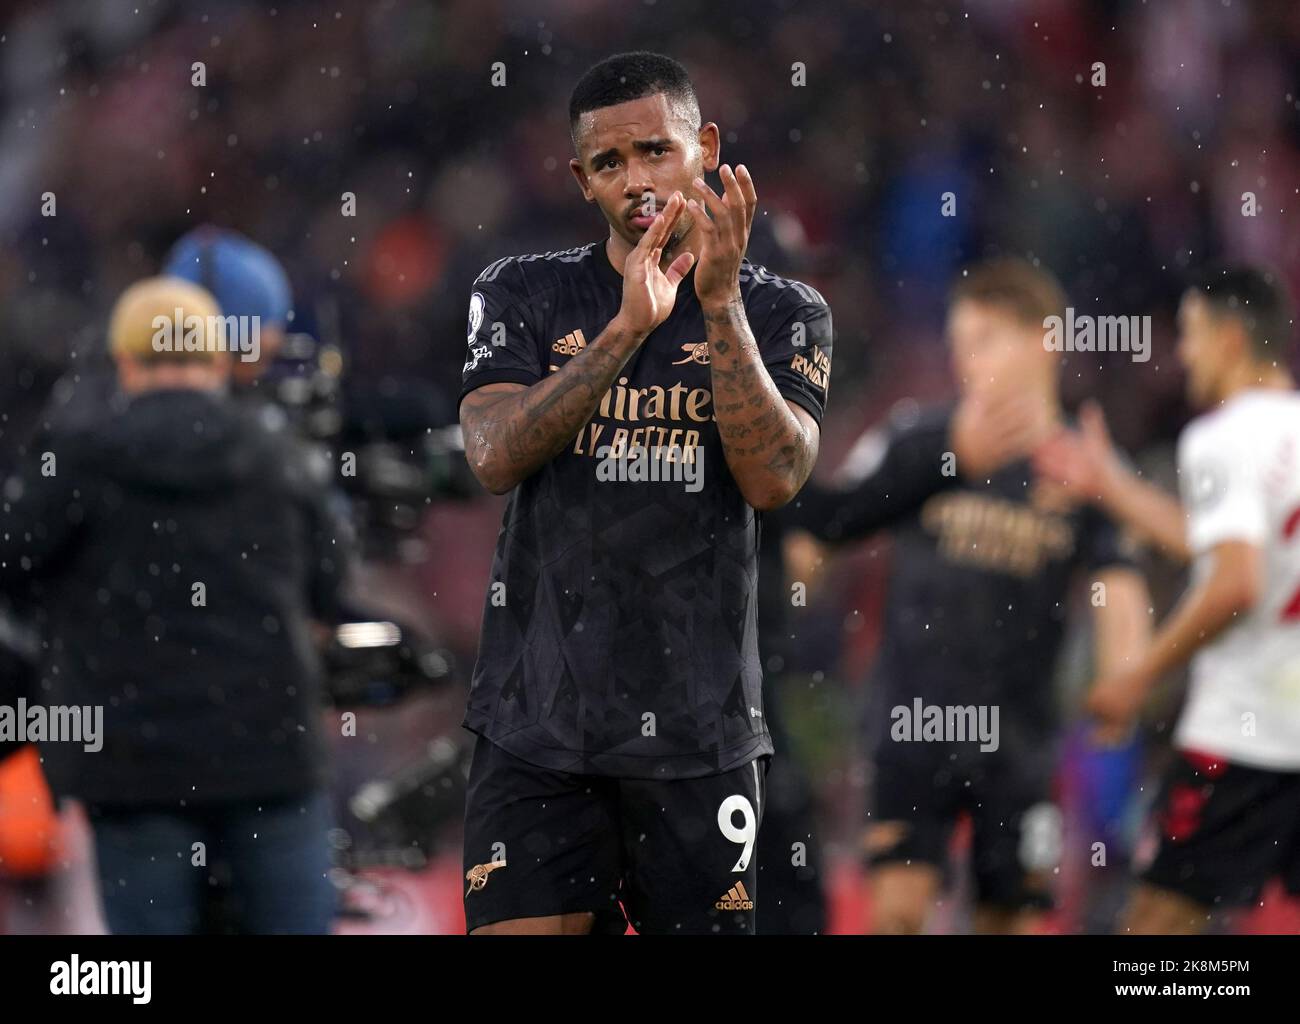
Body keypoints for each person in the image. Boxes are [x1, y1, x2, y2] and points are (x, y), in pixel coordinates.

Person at [456, 51, 831, 935]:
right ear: (580, 179)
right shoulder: (523, 291)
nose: (638, 181)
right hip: (536, 726)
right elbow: (493, 455)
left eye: (657, 151)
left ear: (702, 147)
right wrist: (627, 330)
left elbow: (777, 477)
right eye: (611, 164)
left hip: (700, 735)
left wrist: (722, 303)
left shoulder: (785, 313)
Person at [781, 258, 1152, 934]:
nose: (963, 360)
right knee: (893, 912)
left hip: (1021, 741)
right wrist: (788, 587)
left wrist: (1123, 679)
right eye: (958, 343)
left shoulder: (1086, 466)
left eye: (982, 340)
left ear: (1045, 342)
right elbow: (827, 532)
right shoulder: (917, 437)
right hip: (907, 726)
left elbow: (1116, 580)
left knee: (1015, 922)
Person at [0, 276, 350, 934]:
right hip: (269, 756)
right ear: (219, 359)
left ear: (126, 360)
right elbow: (330, 587)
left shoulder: (76, 459)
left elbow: (12, 569)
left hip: (134, 771)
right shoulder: (278, 455)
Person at [1034, 265, 1300, 933]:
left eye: (1190, 333)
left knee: (1154, 936)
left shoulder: (1220, 438)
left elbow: (1236, 583)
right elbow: (1231, 551)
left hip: (1245, 733)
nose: (1183, 354)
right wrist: (1115, 484)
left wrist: (1137, 674)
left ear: (1231, 337)